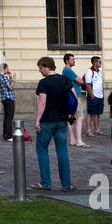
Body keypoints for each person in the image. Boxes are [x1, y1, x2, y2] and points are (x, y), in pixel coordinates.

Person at [31, 56, 73, 192]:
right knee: (62, 152)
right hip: (62, 120)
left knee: (42, 149)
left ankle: (45, 182)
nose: (39, 71)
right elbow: (73, 96)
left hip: (47, 121)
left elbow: (42, 102)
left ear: (46, 67)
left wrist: (37, 120)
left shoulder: (44, 83)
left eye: (40, 68)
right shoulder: (65, 80)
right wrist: (72, 113)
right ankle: (66, 184)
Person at [61, 53, 87, 148]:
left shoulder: (66, 70)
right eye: (72, 59)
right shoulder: (68, 70)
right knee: (80, 117)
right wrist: (80, 81)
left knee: (71, 118)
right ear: (67, 61)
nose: (74, 61)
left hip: (71, 97)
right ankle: (79, 141)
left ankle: (72, 139)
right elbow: (80, 81)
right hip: (74, 97)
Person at [82, 56, 104, 138]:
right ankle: (89, 130)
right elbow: (88, 84)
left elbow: (101, 83)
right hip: (93, 96)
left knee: (97, 113)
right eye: (99, 62)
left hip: (100, 96)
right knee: (90, 113)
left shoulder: (100, 72)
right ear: (94, 63)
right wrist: (92, 96)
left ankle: (97, 129)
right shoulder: (89, 71)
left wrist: (102, 93)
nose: (100, 63)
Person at [0, 63, 16, 144]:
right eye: (7, 68)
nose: (8, 69)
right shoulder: (4, 77)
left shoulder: (0, 77)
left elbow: (7, 86)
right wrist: (14, 79)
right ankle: (9, 136)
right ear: (4, 69)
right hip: (9, 98)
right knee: (9, 118)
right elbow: (10, 87)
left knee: (7, 117)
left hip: (5, 99)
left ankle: (5, 134)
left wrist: (10, 78)